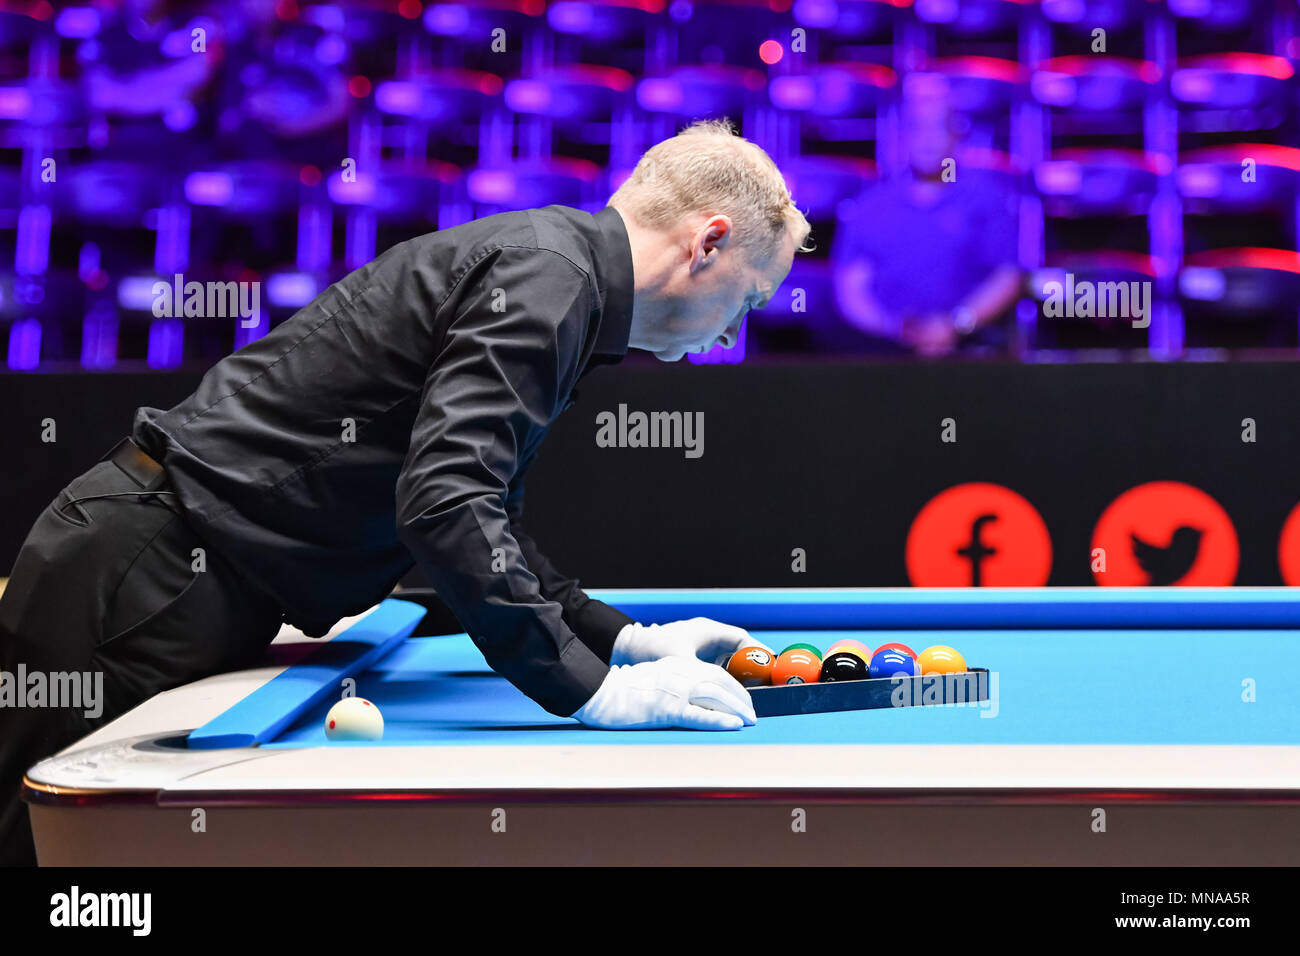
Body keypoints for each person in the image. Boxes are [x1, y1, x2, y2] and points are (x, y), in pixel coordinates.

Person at [0, 119, 812, 865]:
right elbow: (446, 505)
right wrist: (594, 692)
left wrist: (625, 640)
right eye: (745, 299)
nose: (730, 336)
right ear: (708, 242)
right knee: (43, 856)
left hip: (176, 567)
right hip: (144, 570)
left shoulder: (558, 276)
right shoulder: (549, 279)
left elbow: (482, 517)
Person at [833, 73, 1021, 357]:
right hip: (885, 357)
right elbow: (851, 287)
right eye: (917, 127)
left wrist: (956, 325)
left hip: (973, 355)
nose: (928, 139)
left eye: (939, 127)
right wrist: (893, 328)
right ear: (902, 135)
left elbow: (1008, 276)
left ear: (957, 133)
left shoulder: (986, 199)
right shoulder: (871, 204)